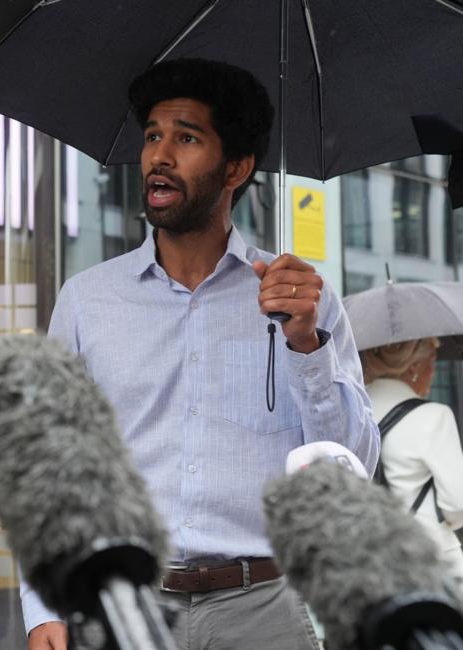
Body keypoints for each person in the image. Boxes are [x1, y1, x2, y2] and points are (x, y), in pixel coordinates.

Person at [21, 58, 379, 650]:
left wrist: (305, 345)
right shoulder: (88, 299)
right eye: (153, 136)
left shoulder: (303, 302)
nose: (159, 155)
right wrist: (43, 606)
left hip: (267, 610)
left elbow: (354, 466)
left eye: (186, 138)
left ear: (235, 167)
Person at [359, 338, 463, 579]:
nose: (433, 371)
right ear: (414, 368)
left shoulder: (354, 413)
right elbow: (458, 504)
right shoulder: (434, 416)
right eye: (432, 362)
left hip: (370, 562)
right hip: (432, 559)